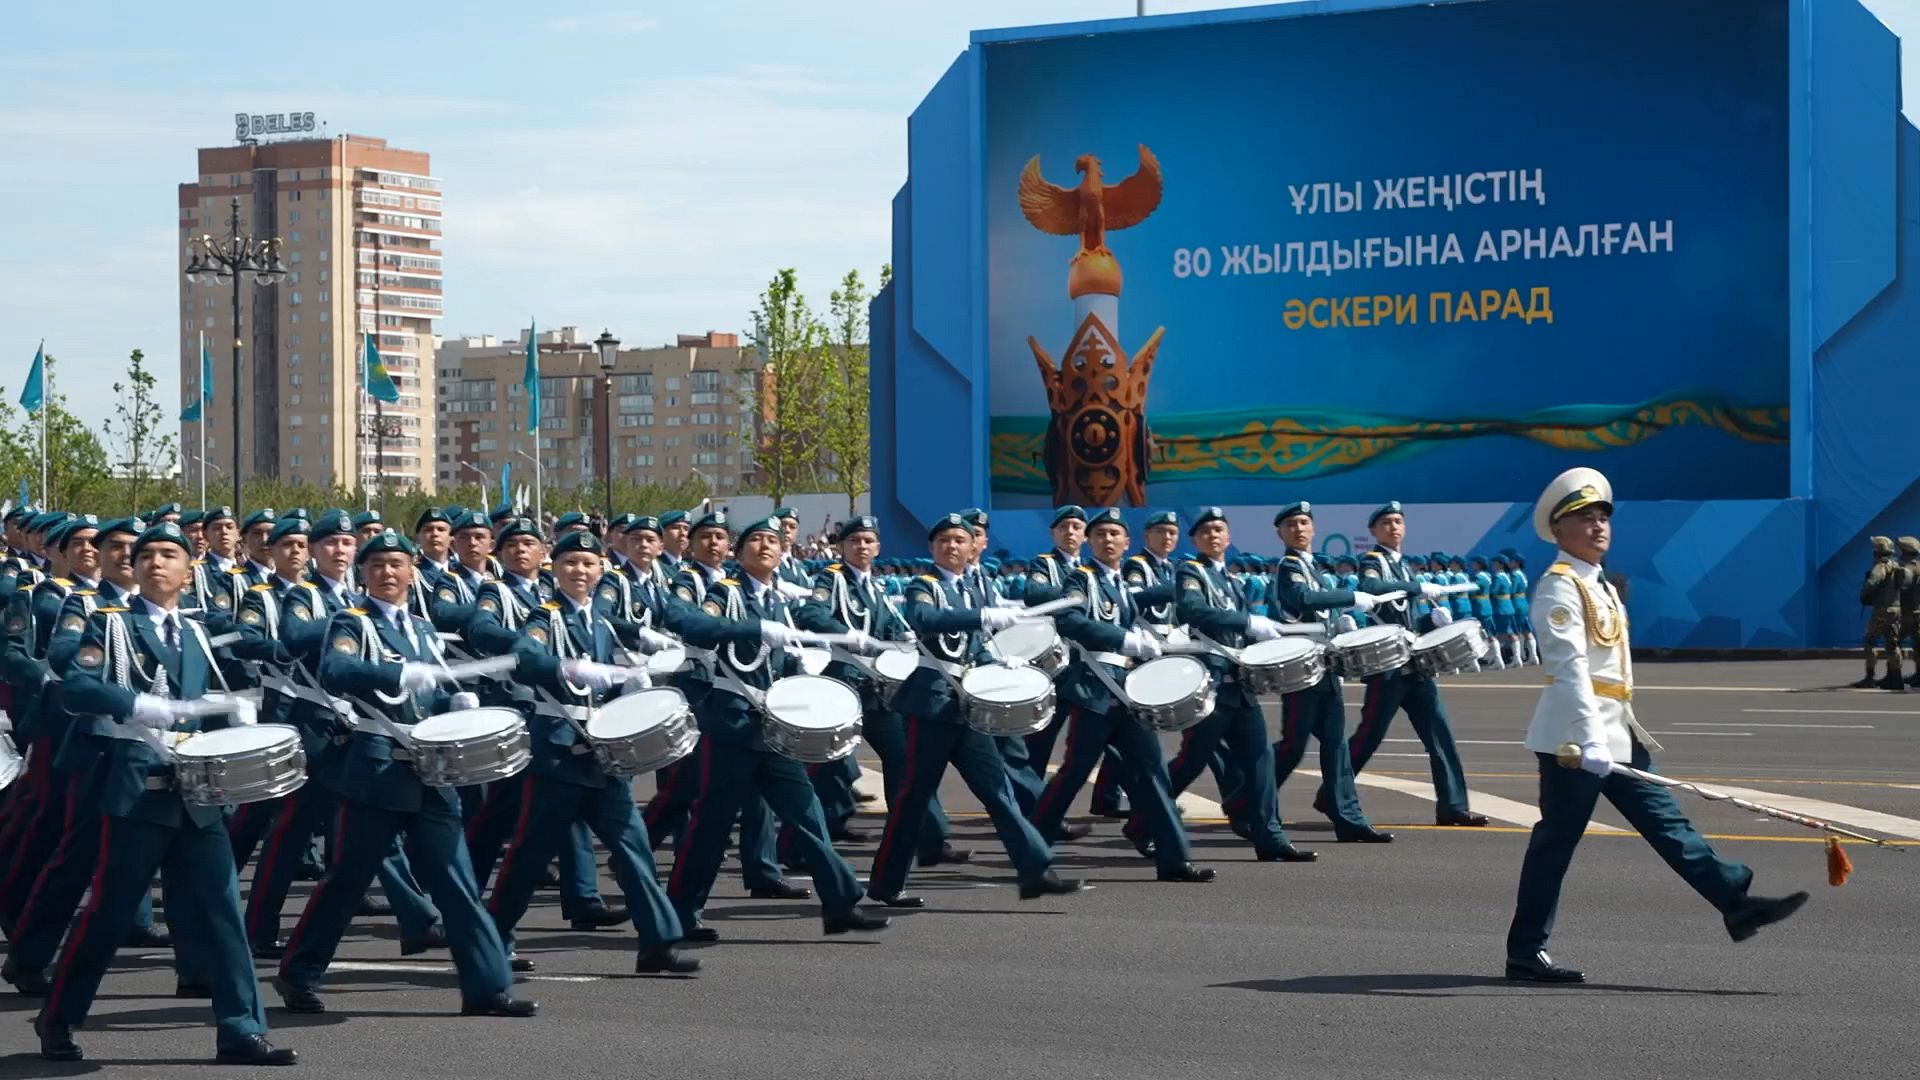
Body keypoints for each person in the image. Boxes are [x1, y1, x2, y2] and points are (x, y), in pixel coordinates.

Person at [1504, 467, 1807, 982]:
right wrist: (1590, 737)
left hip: (1616, 732)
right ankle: (1525, 952)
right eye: (1584, 517)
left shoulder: (1598, 584)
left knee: (1668, 824)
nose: (1598, 526)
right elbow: (1569, 668)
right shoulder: (1559, 589)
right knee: (1556, 844)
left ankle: (1735, 902)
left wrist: (1610, 734)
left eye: (1603, 517)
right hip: (1574, 742)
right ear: (1557, 529)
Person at [34, 521, 297, 1065]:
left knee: (223, 912)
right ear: (135, 568)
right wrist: (132, 703)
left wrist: (235, 715)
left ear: (187, 572)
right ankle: (58, 1016)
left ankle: (241, 1028)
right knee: (109, 914)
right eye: (146, 555)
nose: (156, 562)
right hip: (139, 790)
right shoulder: (110, 623)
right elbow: (76, 686)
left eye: (169, 555)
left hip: (197, 791)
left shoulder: (196, 632)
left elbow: (211, 696)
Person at [662, 516, 892, 938]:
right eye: (755, 540)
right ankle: (679, 915)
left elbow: (780, 663)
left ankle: (840, 903)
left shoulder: (778, 602)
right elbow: (691, 624)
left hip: (772, 729)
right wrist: (756, 628)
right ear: (738, 553)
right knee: (711, 825)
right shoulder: (725, 592)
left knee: (808, 816)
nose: (766, 546)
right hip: (732, 725)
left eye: (773, 540)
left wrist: (803, 666)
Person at [495, 529, 699, 975]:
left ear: (600, 569)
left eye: (588, 564)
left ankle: (657, 943)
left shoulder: (601, 621)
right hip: (558, 752)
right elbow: (524, 658)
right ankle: (492, 940)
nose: (579, 570)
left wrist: (632, 680)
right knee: (529, 855)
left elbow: (614, 673)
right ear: (554, 569)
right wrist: (566, 667)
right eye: (570, 562)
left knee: (634, 848)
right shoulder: (545, 616)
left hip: (602, 754)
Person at [867, 513, 1083, 908]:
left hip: (967, 705)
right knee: (913, 798)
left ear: (971, 548)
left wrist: (999, 660)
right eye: (943, 540)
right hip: (931, 706)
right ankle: (885, 883)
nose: (951, 546)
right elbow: (923, 619)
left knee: (998, 791)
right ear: (932, 548)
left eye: (959, 540)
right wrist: (982, 616)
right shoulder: (924, 586)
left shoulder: (972, 589)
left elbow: (974, 647)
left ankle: (1035, 870)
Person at [1034, 508, 1210, 882]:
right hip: (1095, 690)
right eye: (1100, 534)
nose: (1107, 539)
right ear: (1090, 541)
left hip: (1127, 691)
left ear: (1127, 543)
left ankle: (1173, 860)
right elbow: (1070, 620)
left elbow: (1142, 605)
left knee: (1153, 773)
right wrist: (1124, 639)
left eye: (1114, 534)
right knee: (1073, 774)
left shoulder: (1120, 584)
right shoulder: (1081, 579)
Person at [1339, 502, 1487, 827]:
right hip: (1388, 665)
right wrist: (1416, 587)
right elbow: (1371, 588)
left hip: (1414, 663)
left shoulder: (1404, 565)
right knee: (1369, 736)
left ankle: (1453, 806)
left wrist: (1432, 621)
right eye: (1386, 523)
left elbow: (1408, 617)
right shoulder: (1373, 561)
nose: (1393, 527)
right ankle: (1333, 795)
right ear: (1373, 531)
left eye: (1398, 521)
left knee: (1439, 733)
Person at [1267, 502, 1395, 844]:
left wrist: (1342, 622)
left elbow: (1322, 611)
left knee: (1337, 745)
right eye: (1291, 524)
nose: (1298, 529)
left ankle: (1349, 818)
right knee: (1293, 746)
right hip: (1300, 669)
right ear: (1280, 533)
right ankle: (1246, 801)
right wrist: (1350, 597)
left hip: (1325, 666)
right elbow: (1303, 599)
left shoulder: (1316, 569)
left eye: (1303, 523)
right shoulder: (1289, 567)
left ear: (1313, 528)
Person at [1858, 535, 1905, 690]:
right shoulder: (1896, 565)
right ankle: (1896, 677)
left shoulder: (1881, 566)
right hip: (1896, 609)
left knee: (1870, 640)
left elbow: (1872, 582)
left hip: (1882, 610)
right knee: (1892, 643)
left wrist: (1864, 594)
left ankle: (1870, 677)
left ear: (1877, 550)